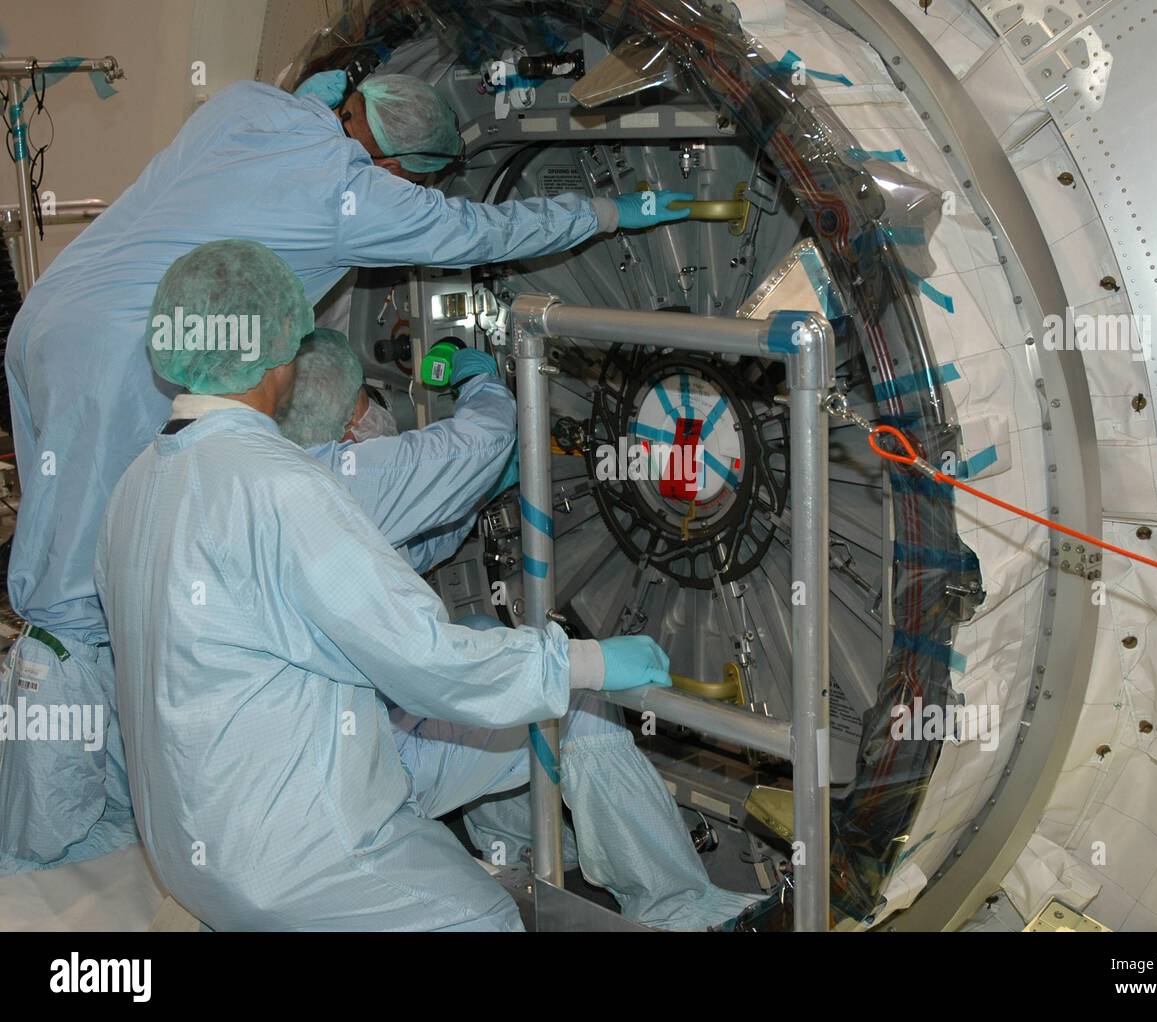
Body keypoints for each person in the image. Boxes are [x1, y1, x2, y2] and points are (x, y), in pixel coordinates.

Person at [1, 70, 690, 872]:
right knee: (78, 611)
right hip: (112, 374)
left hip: (48, 318)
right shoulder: (351, 214)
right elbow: (479, 233)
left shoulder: (248, 105)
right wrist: (603, 217)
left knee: (77, 564)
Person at [94, 239, 679, 931]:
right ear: (278, 353)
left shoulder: (137, 484)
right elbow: (424, 658)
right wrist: (585, 662)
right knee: (485, 921)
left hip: (188, 847)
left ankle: (524, 855)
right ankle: (674, 905)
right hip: (296, 854)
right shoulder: (281, 486)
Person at [276, 330, 760, 929]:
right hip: (364, 783)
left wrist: (475, 499)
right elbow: (476, 445)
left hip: (313, 766)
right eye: (361, 406)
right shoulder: (343, 478)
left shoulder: (282, 485)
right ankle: (677, 907)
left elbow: (403, 542)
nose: (373, 415)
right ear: (343, 430)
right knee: (575, 701)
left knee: (482, 625)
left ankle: (517, 842)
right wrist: (483, 383)